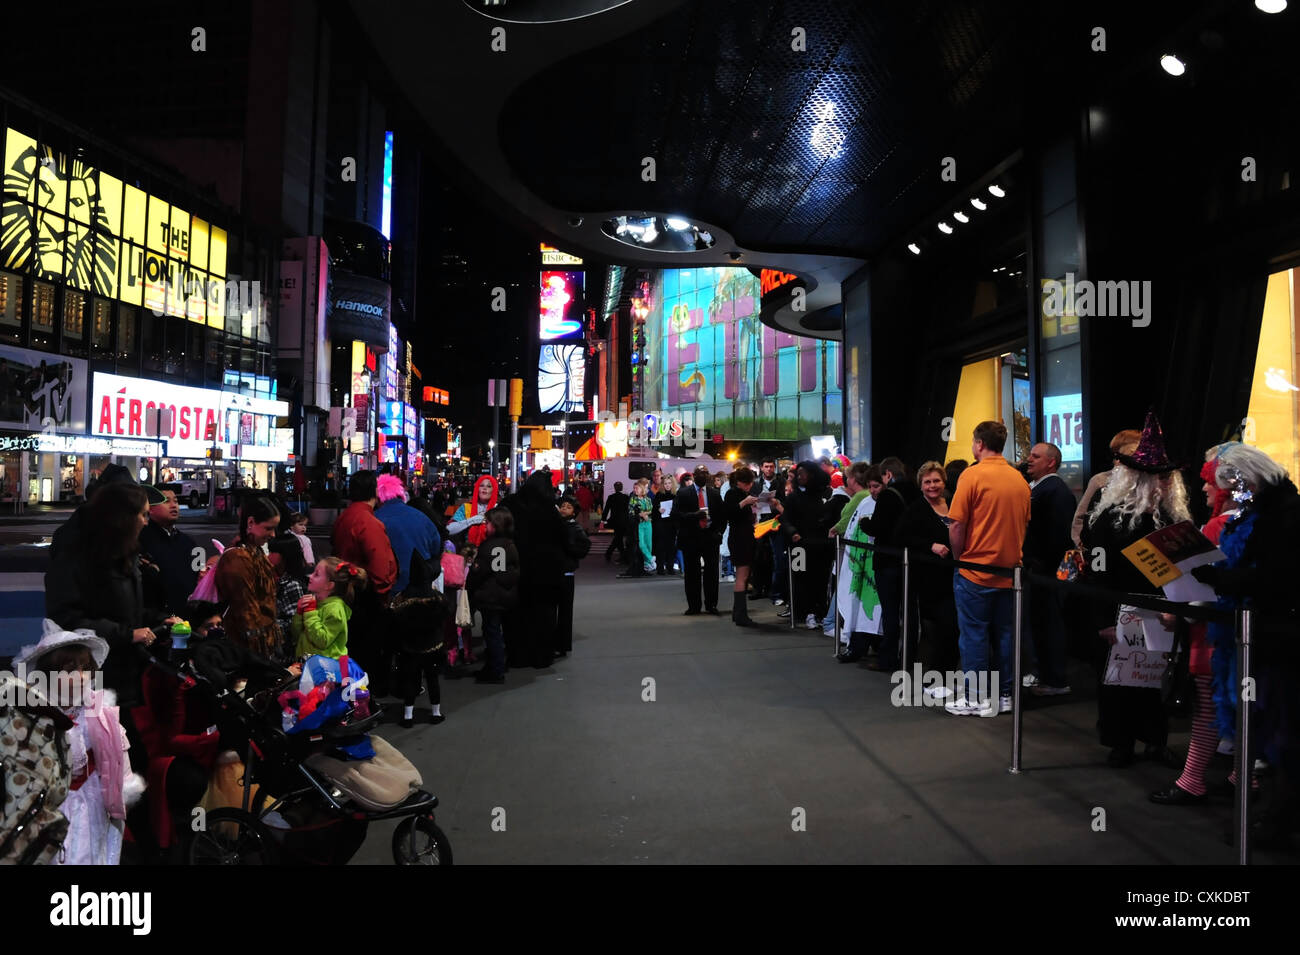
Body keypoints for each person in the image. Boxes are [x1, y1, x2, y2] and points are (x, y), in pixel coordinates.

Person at [1189, 442, 1300, 843]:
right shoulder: (1273, 510)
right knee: (1274, 731)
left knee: (1280, 733)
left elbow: (1273, 578)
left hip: (1277, 638)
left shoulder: (1281, 517)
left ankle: (1277, 824)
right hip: (1268, 635)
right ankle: (1275, 820)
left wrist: (1216, 577)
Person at [1080, 411, 1189, 764]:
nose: (1163, 483)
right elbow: (1096, 573)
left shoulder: (1173, 516)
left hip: (1161, 611)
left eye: (1165, 477)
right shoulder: (1106, 516)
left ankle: (1155, 739)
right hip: (1118, 610)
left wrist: (1178, 610)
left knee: (1154, 679)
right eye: (1156, 477)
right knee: (1117, 681)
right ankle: (1120, 742)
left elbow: (1184, 568)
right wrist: (1103, 621)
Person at [14, 621, 146, 865]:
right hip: (47, 806)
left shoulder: (99, 713)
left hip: (92, 799)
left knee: (91, 852)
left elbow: (117, 753)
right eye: (69, 668)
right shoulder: (32, 717)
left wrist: (122, 785)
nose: (80, 675)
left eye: (85, 668)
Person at [46, 482, 175, 710]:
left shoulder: (126, 555)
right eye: (143, 514)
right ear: (123, 518)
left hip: (126, 674)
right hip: (93, 678)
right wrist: (127, 634)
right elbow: (66, 619)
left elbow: (124, 611)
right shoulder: (77, 558)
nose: (146, 521)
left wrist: (157, 619)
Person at [945, 422, 1031, 716]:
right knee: (1006, 635)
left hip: (975, 571)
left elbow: (956, 524)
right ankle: (1006, 694)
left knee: (974, 635)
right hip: (1010, 572)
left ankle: (975, 698)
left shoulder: (972, 475)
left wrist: (960, 558)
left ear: (979, 444)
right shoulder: (1019, 479)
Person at [332, 471, 399, 691]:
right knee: (368, 651)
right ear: (374, 493)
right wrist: (381, 594)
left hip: (345, 591)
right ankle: (364, 698)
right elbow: (380, 565)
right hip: (365, 594)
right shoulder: (368, 521)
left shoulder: (344, 518)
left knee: (352, 648)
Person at [1021, 443, 1078, 696]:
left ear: (1051, 462)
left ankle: (1054, 679)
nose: (1029, 460)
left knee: (1048, 624)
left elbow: (1058, 536)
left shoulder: (1055, 491)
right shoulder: (1040, 489)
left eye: (1035, 456)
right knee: (1038, 623)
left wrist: (1039, 562)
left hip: (1047, 573)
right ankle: (1043, 674)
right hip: (1039, 571)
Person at [896, 461, 959, 677]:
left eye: (936, 481)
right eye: (927, 482)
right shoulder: (915, 509)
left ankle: (950, 671)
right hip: (930, 579)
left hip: (957, 574)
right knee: (942, 626)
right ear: (921, 485)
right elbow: (901, 536)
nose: (932, 485)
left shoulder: (954, 502)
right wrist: (930, 545)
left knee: (955, 626)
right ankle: (939, 673)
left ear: (944, 481)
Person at [858, 456, 919, 668]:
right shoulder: (916, 491)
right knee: (910, 613)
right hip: (911, 560)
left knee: (891, 612)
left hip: (887, 561)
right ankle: (910, 657)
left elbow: (878, 528)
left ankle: (888, 658)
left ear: (888, 475)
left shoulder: (887, 497)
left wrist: (865, 523)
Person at [503, 470, 566, 668]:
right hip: (546, 572)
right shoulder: (550, 509)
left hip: (517, 568)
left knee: (517, 616)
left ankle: (518, 656)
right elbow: (562, 538)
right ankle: (542, 656)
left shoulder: (511, 503)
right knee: (544, 616)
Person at [215, 494, 281, 659]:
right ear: (250, 523)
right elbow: (247, 612)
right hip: (245, 652)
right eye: (268, 528)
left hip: (256, 647)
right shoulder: (238, 558)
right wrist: (259, 656)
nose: (273, 535)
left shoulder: (253, 551)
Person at [467, 507, 520, 684]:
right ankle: (496, 665)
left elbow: (479, 571)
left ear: (495, 524)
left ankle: (495, 670)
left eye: (488, 522)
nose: (486, 526)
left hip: (490, 596)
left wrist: (471, 583)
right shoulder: (510, 544)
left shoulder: (489, 546)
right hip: (505, 594)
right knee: (497, 631)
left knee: (491, 632)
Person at [374, 474, 443, 600]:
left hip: (389, 588)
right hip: (420, 586)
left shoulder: (375, 519)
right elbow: (436, 547)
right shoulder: (421, 517)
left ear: (379, 498)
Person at [1072, 429, 1142, 547]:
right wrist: (1081, 545)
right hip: (1101, 549)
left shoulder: (1145, 479)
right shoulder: (1101, 480)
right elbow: (1081, 516)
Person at [139, 485, 200, 619]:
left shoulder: (190, 543)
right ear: (150, 508)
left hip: (187, 622)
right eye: (166, 501)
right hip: (156, 624)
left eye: (176, 501)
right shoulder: (140, 541)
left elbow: (199, 575)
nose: (173, 506)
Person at [292, 557, 368, 660]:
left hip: (328, 670)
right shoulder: (315, 603)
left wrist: (310, 613)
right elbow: (297, 636)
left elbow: (322, 641)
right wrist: (299, 613)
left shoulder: (335, 609)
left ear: (329, 585)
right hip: (309, 664)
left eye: (316, 574)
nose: (310, 576)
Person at [675, 464, 725, 615]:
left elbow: (722, 516)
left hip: (710, 537)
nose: (704, 476)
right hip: (691, 537)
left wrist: (719, 533)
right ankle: (694, 606)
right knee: (692, 574)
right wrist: (694, 515)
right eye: (700, 473)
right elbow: (676, 515)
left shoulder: (715, 493)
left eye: (706, 473)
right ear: (694, 476)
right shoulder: (683, 493)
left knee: (712, 574)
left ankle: (711, 605)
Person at [722, 467, 761, 627]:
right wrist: (745, 503)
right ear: (741, 482)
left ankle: (737, 611)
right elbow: (729, 513)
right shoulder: (732, 494)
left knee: (743, 575)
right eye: (748, 483)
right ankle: (741, 615)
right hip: (740, 537)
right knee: (742, 576)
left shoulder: (741, 494)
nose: (750, 486)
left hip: (744, 536)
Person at [556, 495, 591, 656]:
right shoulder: (559, 525)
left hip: (566, 572)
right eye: (563, 506)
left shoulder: (574, 528)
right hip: (557, 571)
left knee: (564, 611)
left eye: (568, 507)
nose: (564, 509)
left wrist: (571, 553)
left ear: (574, 512)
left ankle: (562, 644)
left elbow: (583, 547)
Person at [751, 458, 779, 598]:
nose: (769, 469)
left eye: (771, 467)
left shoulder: (780, 482)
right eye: (766, 466)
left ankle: (770, 588)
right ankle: (757, 588)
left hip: (774, 521)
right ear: (761, 468)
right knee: (758, 556)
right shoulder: (756, 484)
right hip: (760, 521)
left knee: (771, 557)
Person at [452, 475, 499, 549]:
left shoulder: (498, 509)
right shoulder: (466, 507)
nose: (485, 488)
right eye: (481, 485)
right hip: (468, 552)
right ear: (477, 488)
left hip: (492, 552)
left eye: (489, 486)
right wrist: (472, 520)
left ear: (494, 490)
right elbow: (450, 530)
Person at [652, 475, 678, 575]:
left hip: (672, 524)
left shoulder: (676, 495)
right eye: (665, 483)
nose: (667, 485)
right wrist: (658, 510)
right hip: (661, 524)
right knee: (661, 547)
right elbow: (653, 510)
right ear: (663, 484)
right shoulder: (659, 495)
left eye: (669, 483)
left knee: (671, 548)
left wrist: (674, 511)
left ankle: (670, 568)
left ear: (673, 484)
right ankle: (660, 568)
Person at [601, 481, 630, 564]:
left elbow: (606, 509)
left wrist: (603, 520)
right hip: (624, 521)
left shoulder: (611, 497)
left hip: (614, 521)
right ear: (622, 487)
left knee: (618, 537)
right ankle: (621, 555)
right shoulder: (626, 497)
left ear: (615, 488)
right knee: (618, 538)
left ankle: (611, 553)